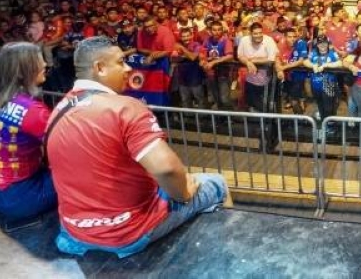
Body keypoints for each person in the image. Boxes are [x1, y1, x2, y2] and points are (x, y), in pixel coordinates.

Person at [47, 36, 230, 258]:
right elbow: (167, 169)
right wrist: (185, 193)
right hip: (126, 231)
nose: (127, 68)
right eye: (120, 62)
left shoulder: (58, 109)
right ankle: (225, 253)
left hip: (74, 229)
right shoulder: (125, 107)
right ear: (100, 68)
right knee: (216, 182)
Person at [0, 42, 57, 226]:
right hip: (20, 200)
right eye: (39, 60)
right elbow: (64, 148)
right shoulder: (34, 111)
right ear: (22, 70)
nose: (45, 64)